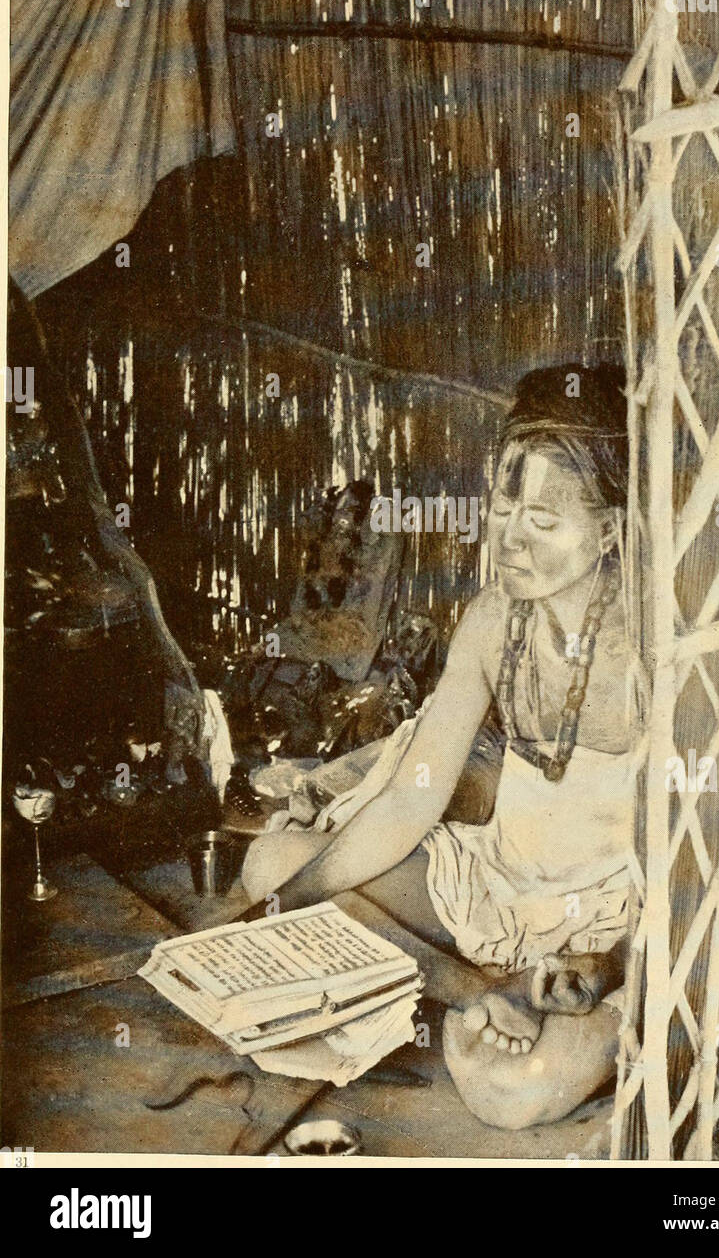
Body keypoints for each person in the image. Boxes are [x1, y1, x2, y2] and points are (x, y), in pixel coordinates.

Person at [241, 363, 637, 1129]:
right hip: (493, 897)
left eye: (544, 522)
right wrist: (282, 906)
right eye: (503, 509)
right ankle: (474, 990)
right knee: (272, 866)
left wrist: (609, 964)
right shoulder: (495, 622)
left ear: (611, 529)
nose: (511, 540)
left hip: (600, 934)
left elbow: (690, 879)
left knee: (512, 1093)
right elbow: (411, 799)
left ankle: (489, 1001)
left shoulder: (652, 655)